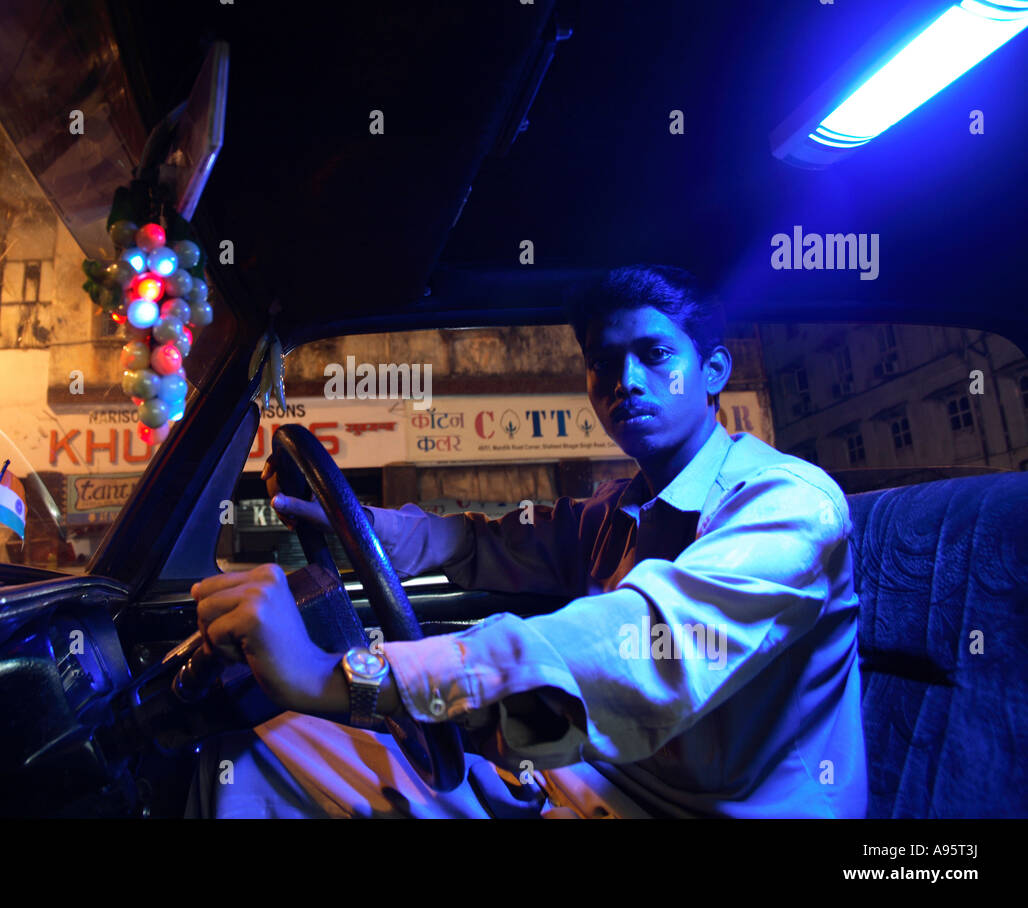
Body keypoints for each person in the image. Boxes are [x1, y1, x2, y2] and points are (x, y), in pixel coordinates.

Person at [184, 264, 867, 818]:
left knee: (263, 767)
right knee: (266, 754)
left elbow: (636, 644)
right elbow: (474, 544)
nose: (626, 381)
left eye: (654, 354)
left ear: (713, 372)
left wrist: (344, 677)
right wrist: (353, 522)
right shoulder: (615, 513)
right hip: (581, 783)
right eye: (604, 362)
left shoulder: (786, 505)